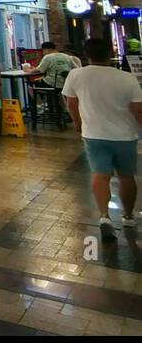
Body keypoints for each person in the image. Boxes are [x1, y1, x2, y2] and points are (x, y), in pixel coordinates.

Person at [61, 38, 142, 240]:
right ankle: (128, 216)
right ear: (111, 52)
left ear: (86, 54)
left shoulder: (76, 75)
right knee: (126, 176)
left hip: (94, 134)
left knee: (100, 174)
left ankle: (104, 216)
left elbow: (71, 103)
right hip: (125, 135)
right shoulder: (127, 78)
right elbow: (138, 109)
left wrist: (78, 123)